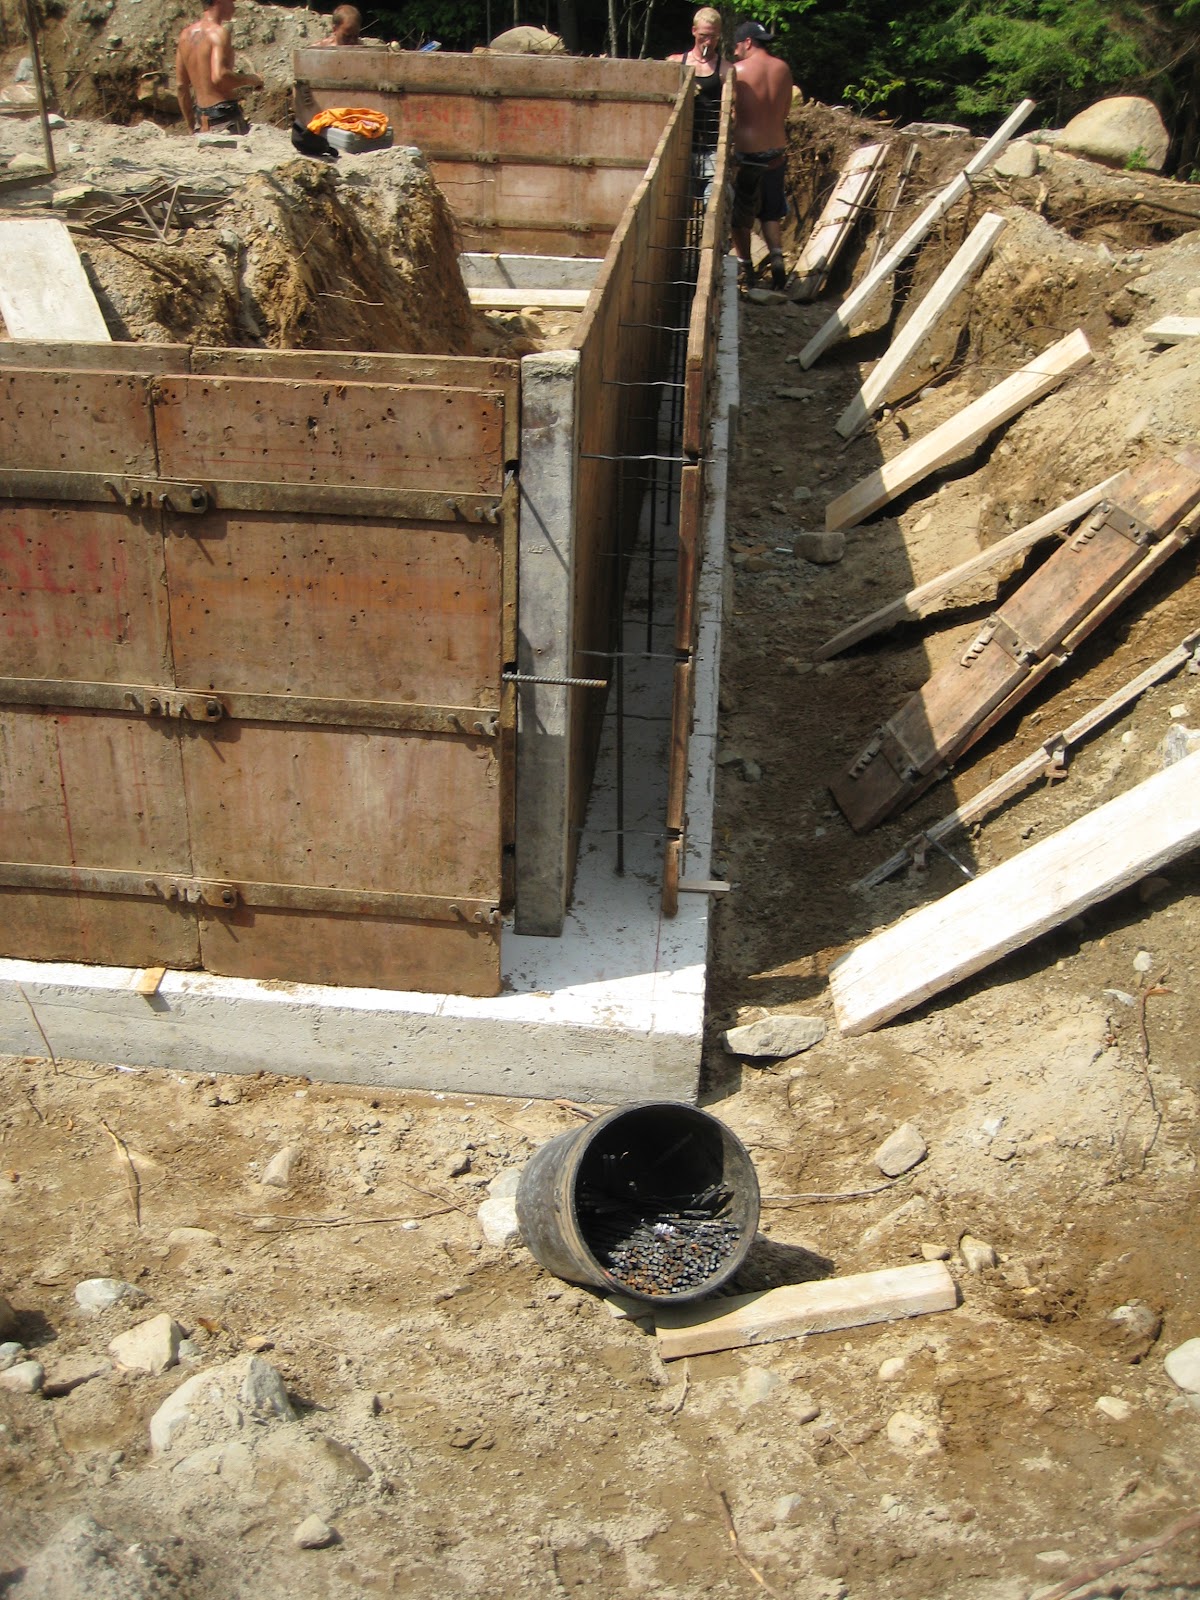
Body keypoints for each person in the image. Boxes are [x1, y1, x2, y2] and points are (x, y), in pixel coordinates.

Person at [730, 20, 793, 290]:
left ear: (747, 42)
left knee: (739, 217)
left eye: (737, 46)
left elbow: (732, 112)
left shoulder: (738, 71)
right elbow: (785, 110)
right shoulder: (783, 69)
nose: (735, 52)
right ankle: (777, 261)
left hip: (748, 154)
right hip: (776, 151)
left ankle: (747, 269)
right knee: (770, 213)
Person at [175, 0, 264, 135]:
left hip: (201, 119)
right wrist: (252, 79)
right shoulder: (218, 33)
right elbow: (220, 76)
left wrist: (191, 126)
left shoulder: (184, 36)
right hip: (224, 117)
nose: (234, 6)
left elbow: (181, 86)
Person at [668, 7, 728, 203]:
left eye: (713, 37)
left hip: (711, 148)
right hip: (681, 147)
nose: (708, 42)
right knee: (678, 203)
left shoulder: (725, 69)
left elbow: (731, 111)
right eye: (703, 36)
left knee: (713, 201)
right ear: (694, 31)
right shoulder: (676, 63)